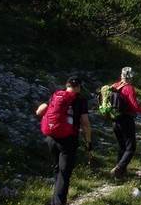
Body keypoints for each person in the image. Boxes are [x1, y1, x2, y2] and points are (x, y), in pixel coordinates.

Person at [36, 77, 91, 205]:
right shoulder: (80, 100)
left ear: (66, 85)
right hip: (68, 141)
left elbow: (39, 111)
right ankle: (59, 202)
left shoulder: (57, 95)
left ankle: (54, 201)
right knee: (64, 174)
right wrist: (88, 141)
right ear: (78, 87)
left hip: (51, 138)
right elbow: (85, 123)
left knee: (58, 170)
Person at [110, 67, 141, 178]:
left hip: (115, 120)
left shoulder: (115, 86)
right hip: (126, 120)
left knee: (122, 146)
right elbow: (135, 107)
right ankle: (119, 168)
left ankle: (120, 173)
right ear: (131, 77)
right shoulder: (129, 88)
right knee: (131, 147)